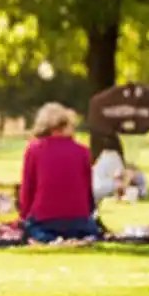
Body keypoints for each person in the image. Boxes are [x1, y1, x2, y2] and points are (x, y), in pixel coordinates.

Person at [19, 103, 100, 243]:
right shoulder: (83, 151)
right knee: (87, 229)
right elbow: (88, 189)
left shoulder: (34, 150)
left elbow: (27, 189)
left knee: (33, 229)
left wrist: (25, 216)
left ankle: (46, 238)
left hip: (45, 218)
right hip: (79, 219)